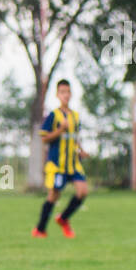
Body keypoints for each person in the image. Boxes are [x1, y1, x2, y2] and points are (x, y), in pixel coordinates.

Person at [33, 79, 90, 239]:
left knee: (83, 191)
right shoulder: (53, 116)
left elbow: (75, 137)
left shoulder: (75, 116)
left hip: (73, 164)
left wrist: (81, 150)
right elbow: (44, 139)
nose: (66, 95)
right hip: (58, 164)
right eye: (62, 92)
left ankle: (63, 218)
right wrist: (60, 130)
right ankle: (40, 229)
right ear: (57, 95)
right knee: (54, 196)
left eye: (68, 92)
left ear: (71, 94)